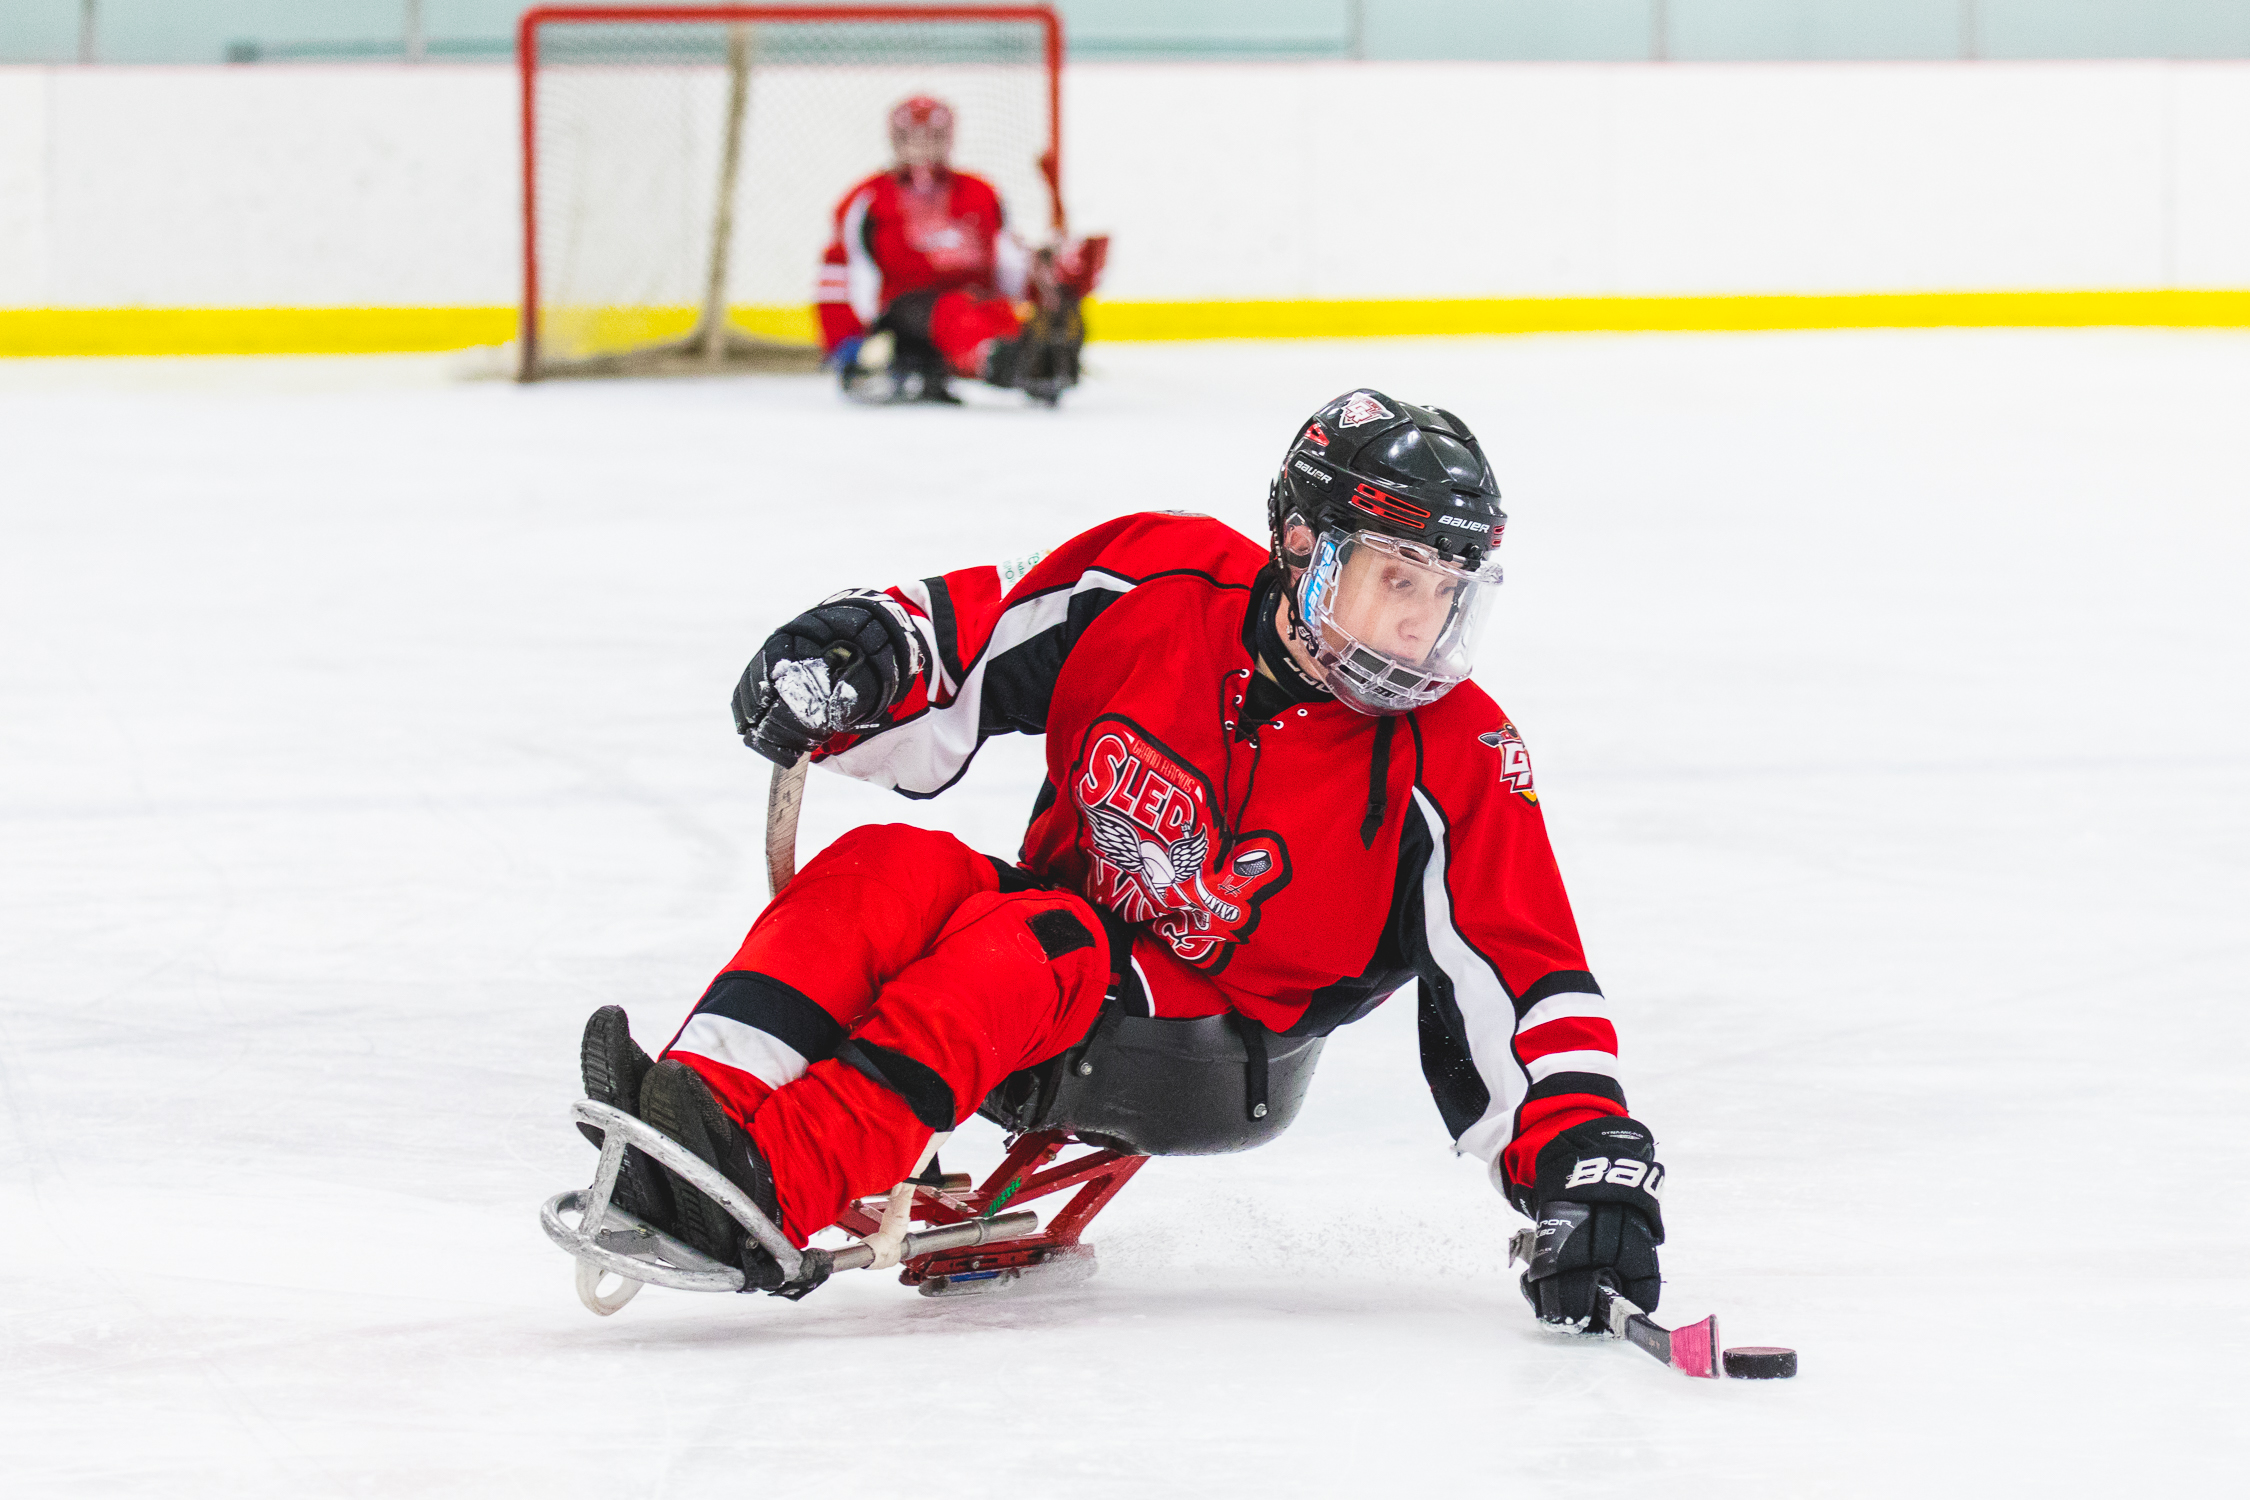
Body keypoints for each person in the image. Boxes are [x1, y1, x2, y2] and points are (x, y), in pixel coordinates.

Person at [580, 389, 1666, 1329]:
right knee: (886, 868)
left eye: (1445, 595)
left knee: (1029, 941)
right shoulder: (1156, 578)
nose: (1417, 630)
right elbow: (966, 634)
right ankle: (695, 1115)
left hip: (1214, 1042)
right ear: (1300, 547)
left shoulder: (1458, 751)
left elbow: (1525, 975)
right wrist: (856, 656)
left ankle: (776, 1180)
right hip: (1063, 931)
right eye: (1394, 579)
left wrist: (1586, 1172)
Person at [814, 95, 1103, 404]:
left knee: (996, 313)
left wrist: (1045, 287)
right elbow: (840, 271)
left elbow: (1006, 261)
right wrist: (844, 341)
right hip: (903, 310)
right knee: (955, 312)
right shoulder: (868, 198)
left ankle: (1028, 358)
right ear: (895, 140)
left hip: (971, 302)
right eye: (913, 138)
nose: (923, 146)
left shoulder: (980, 191)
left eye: (934, 138)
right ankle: (999, 360)